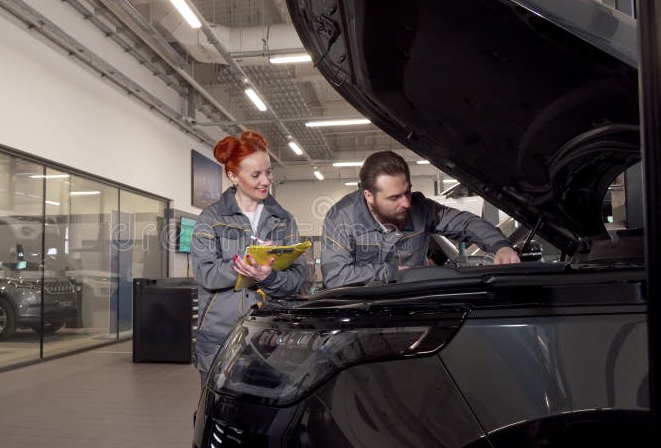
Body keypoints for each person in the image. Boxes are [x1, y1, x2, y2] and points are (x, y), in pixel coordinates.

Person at [191, 130, 305, 386]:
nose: (265, 180)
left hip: (271, 334)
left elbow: (298, 279)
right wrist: (245, 266)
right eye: (255, 175)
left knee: (265, 413)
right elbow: (205, 273)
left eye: (269, 172)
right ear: (233, 176)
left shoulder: (284, 221)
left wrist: (269, 276)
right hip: (220, 334)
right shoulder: (211, 219)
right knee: (217, 411)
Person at [321, 150, 520, 289]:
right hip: (366, 317)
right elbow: (336, 277)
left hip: (414, 308)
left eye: (407, 192)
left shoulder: (421, 209)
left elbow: (467, 223)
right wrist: (393, 272)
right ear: (369, 196)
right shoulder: (341, 218)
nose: (406, 203)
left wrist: (501, 246)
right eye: (394, 198)